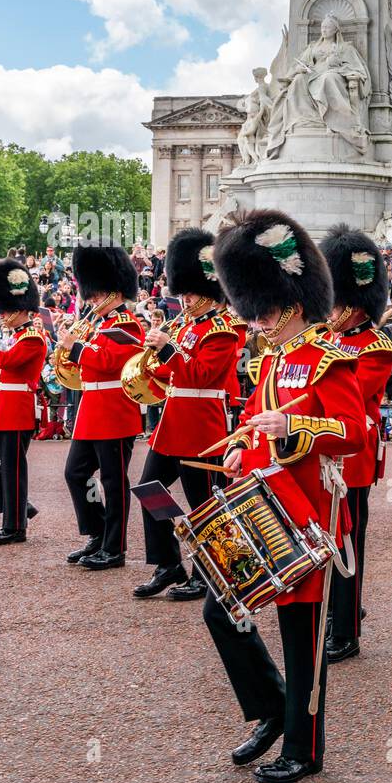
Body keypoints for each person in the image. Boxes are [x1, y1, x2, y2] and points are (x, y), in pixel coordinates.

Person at [207, 209, 366, 783]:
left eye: (265, 311)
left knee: (302, 641)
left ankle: (304, 747)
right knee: (219, 610)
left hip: (306, 517)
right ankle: (274, 709)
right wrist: (239, 448)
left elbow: (356, 434)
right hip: (259, 507)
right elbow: (255, 422)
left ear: (293, 305)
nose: (257, 322)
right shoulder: (270, 359)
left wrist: (293, 432)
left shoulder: (330, 360)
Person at [131, 229, 241, 601]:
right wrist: (151, 362)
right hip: (173, 421)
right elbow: (171, 373)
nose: (185, 297)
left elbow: (200, 375)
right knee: (150, 490)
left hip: (201, 424)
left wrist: (167, 351)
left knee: (205, 505)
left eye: (190, 291)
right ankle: (168, 564)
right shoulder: (185, 326)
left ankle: (210, 573)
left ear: (209, 289)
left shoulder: (224, 331)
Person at [320, 225, 392, 662]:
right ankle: (339, 609)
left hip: (352, 457)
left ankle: (346, 628)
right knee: (325, 538)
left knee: (347, 539)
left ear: (352, 306)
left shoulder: (377, 348)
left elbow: (351, 398)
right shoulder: (332, 341)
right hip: (322, 453)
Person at [59, 240, 145, 571]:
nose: (91, 298)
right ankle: (96, 532)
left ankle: (115, 547)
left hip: (114, 410)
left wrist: (76, 348)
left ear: (114, 290)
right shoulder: (99, 324)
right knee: (75, 473)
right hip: (91, 409)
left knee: (113, 481)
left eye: (96, 292)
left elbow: (110, 362)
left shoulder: (127, 325)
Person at [0, 260, 45, 545]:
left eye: (7, 312)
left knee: (14, 468)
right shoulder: (15, 336)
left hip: (17, 409)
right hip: (4, 406)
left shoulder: (33, 338)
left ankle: (15, 527)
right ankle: (19, 508)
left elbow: (6, 361)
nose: (2, 316)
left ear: (21, 311)